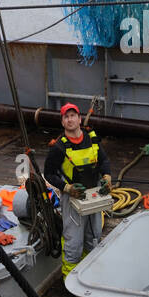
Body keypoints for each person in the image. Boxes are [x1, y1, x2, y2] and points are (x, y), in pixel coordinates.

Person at [43, 103, 112, 277]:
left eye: (73, 115)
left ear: (79, 119)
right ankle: (70, 278)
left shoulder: (92, 138)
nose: (70, 119)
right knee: (73, 238)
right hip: (72, 197)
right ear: (62, 122)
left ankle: (90, 273)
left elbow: (103, 160)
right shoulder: (59, 147)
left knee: (94, 234)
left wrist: (107, 176)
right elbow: (49, 174)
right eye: (66, 117)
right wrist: (67, 187)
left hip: (94, 195)